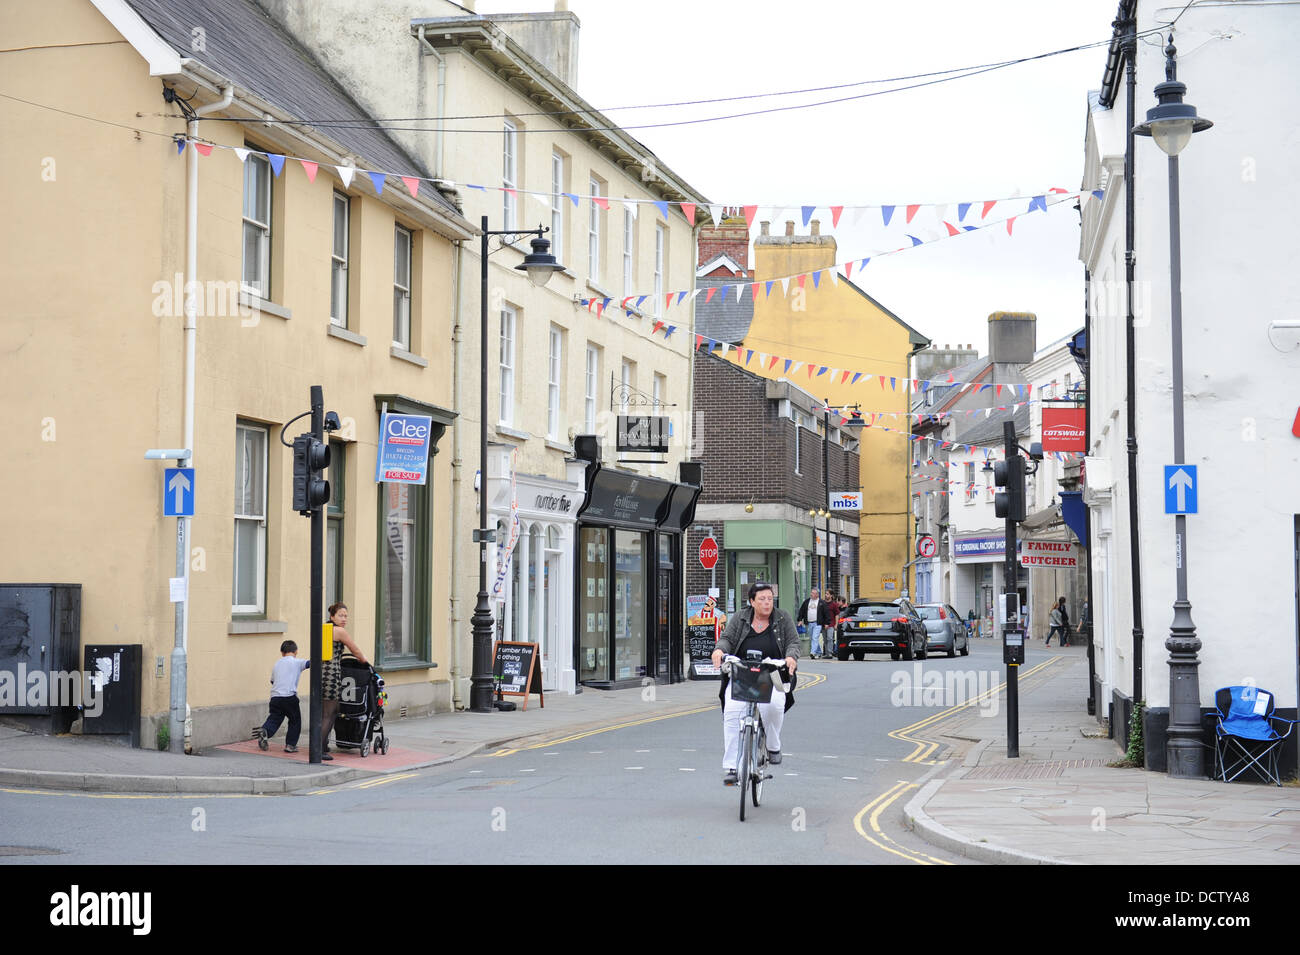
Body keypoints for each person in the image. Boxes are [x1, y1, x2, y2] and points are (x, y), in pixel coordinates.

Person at [711, 582, 799, 785]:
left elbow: (793, 643)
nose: (767, 603)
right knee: (732, 713)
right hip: (743, 673)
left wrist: (791, 658)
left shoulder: (782, 618)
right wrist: (719, 651)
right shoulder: (740, 618)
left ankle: (772, 746)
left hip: (772, 673)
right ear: (751, 601)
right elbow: (726, 639)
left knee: (775, 706)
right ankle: (733, 767)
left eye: (770, 598)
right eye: (762, 599)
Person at [322, 602, 370, 760]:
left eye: (346, 616)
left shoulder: (324, 628)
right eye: (341, 615)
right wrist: (364, 661)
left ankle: (322, 744)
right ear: (332, 616)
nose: (344, 619)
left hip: (320, 672)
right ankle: (320, 748)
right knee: (329, 713)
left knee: (332, 710)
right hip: (331, 673)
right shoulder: (340, 631)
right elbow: (354, 649)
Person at [253, 640, 309, 753]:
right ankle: (290, 745)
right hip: (289, 697)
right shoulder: (297, 662)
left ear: (282, 652)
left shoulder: (277, 664)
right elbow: (309, 663)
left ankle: (265, 731)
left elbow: (273, 681)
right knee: (295, 720)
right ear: (296, 651)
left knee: (275, 718)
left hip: (275, 697)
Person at [796, 587, 833, 660]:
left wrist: (827, 623)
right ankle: (819, 652)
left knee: (815, 637)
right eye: (811, 593)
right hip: (809, 623)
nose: (811, 594)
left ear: (817, 594)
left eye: (813, 593)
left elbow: (826, 613)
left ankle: (812, 652)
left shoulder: (822, 603)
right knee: (812, 638)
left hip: (817, 623)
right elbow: (802, 611)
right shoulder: (807, 602)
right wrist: (800, 620)